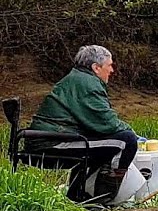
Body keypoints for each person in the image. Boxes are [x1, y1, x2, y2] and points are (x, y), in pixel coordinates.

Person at [28, 45, 138, 202]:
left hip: (49, 139)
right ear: (96, 68)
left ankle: (78, 196)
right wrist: (134, 134)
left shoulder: (78, 79)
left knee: (105, 142)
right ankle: (104, 198)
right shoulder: (87, 84)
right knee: (127, 141)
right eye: (110, 65)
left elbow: (98, 124)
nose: (112, 70)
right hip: (51, 143)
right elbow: (107, 122)